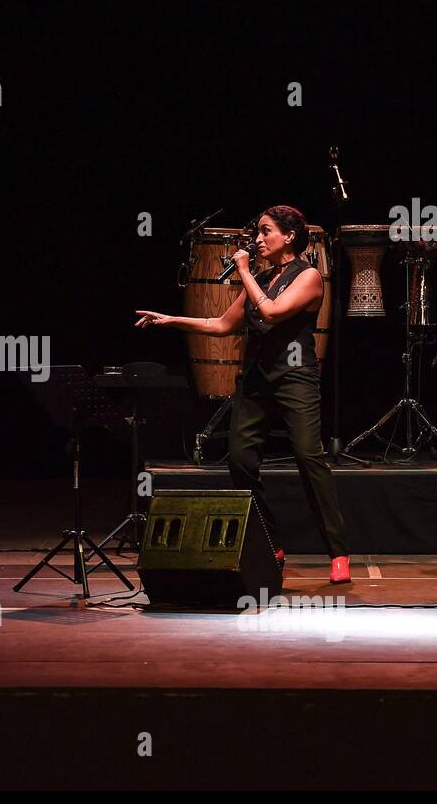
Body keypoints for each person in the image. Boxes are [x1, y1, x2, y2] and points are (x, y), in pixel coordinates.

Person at [136, 206, 352, 584]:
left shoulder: (310, 276)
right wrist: (171, 320)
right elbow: (221, 324)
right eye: (258, 233)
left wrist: (245, 271)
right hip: (256, 379)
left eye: (266, 232)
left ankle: (338, 551)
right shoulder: (262, 278)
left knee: (308, 456)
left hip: (295, 376)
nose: (258, 239)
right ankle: (270, 541)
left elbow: (271, 312)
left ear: (289, 236)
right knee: (240, 460)